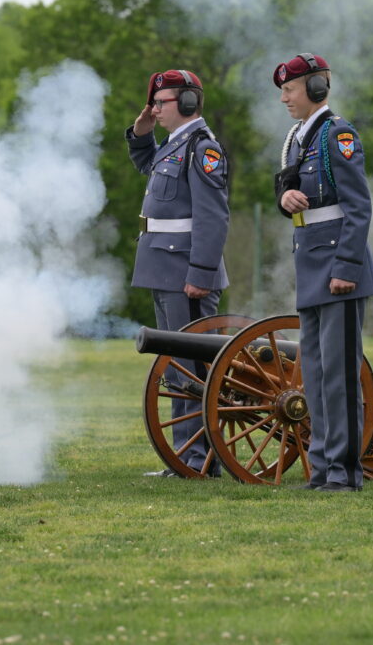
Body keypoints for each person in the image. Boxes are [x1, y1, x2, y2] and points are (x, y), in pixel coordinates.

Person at [272, 53, 373, 492]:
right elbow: (290, 188)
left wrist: (346, 268)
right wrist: (286, 200)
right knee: (315, 376)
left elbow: (359, 207)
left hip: (338, 268)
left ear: (317, 89)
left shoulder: (338, 135)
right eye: (282, 91)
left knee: (339, 376)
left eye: (290, 90)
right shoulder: (298, 139)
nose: (284, 98)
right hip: (311, 263)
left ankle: (345, 473)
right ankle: (322, 470)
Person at [127, 69, 230, 476]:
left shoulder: (202, 148)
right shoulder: (174, 145)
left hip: (185, 269)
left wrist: (201, 273)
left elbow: (213, 217)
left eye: (161, 102)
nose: (154, 108)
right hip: (161, 264)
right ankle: (184, 457)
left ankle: (199, 459)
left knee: (192, 369)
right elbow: (147, 165)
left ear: (187, 103)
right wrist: (140, 132)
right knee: (176, 366)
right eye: (153, 101)